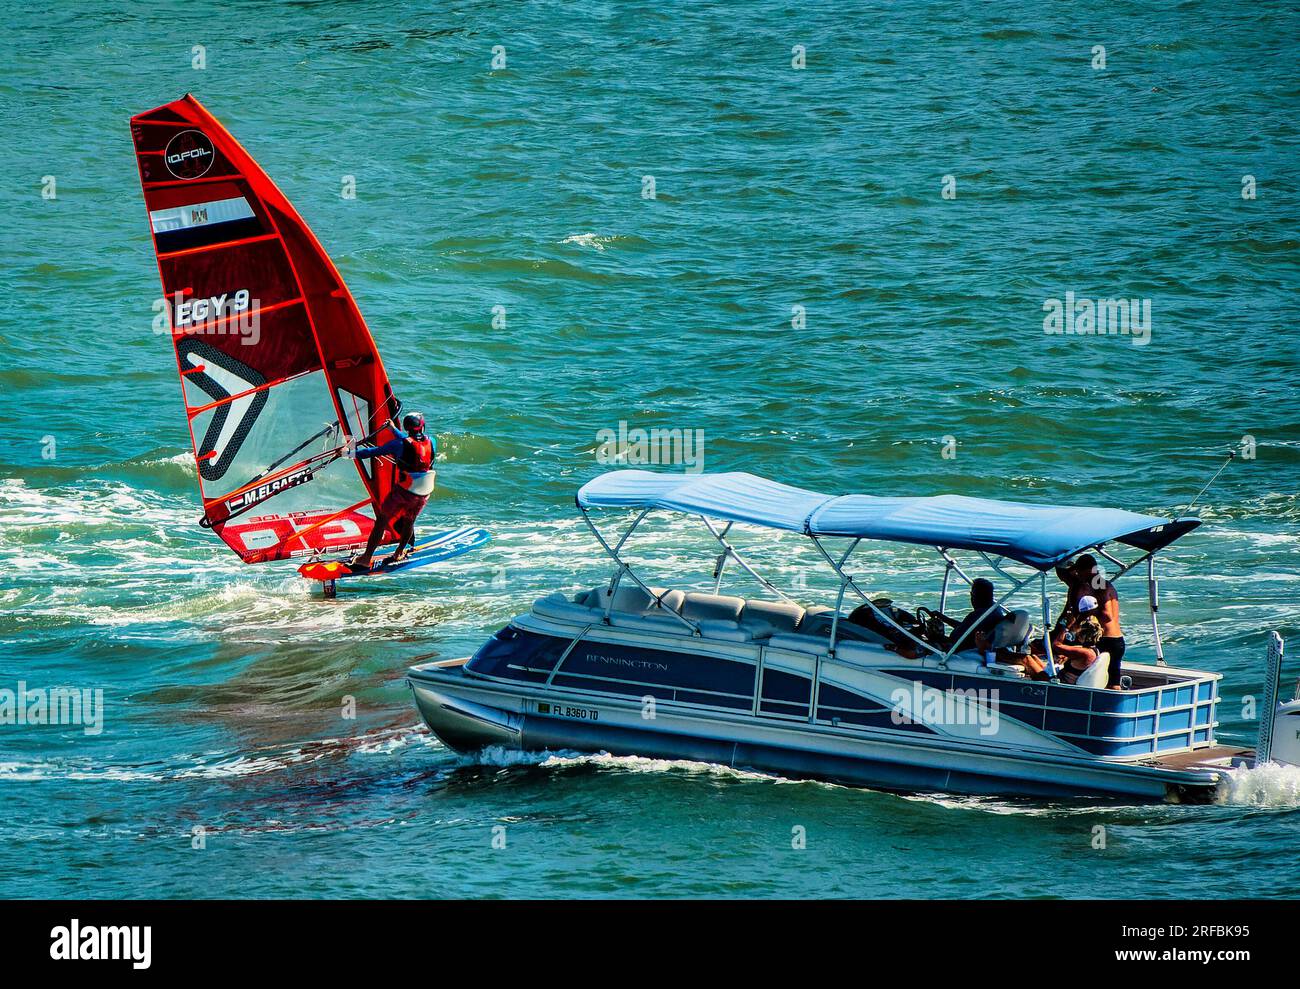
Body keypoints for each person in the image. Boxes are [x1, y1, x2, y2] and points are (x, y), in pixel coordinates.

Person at [346, 411, 436, 572]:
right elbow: (410, 441)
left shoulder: (398, 445)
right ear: (422, 426)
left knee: (382, 520)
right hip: (423, 493)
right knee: (409, 521)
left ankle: (365, 559)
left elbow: (371, 452)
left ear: (407, 427)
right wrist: (393, 429)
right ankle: (399, 552)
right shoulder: (432, 442)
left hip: (404, 492)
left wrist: (349, 453)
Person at [1056, 553, 1126, 688]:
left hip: (1108, 640)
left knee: (1111, 681)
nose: (1078, 574)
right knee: (1111, 679)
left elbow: (1107, 616)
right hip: (1116, 639)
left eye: (1079, 571)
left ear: (1087, 571)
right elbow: (1068, 577)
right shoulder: (1101, 583)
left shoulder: (1100, 585)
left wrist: (1087, 612)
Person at [945, 578, 1007, 653]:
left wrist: (936, 635)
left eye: (972, 595)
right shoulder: (996, 610)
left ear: (976, 597)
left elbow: (955, 638)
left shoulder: (977, 615)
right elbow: (966, 628)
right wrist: (943, 618)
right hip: (981, 646)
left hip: (965, 651)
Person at [1053, 615, 1105, 685]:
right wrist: (1067, 656)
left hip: (1062, 683)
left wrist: (1066, 627)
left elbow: (1056, 645)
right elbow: (1076, 650)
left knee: (1033, 660)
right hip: (1061, 677)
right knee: (1035, 658)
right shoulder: (1093, 650)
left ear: (1083, 636)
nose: (1077, 637)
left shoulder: (1085, 653)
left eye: (1079, 635)